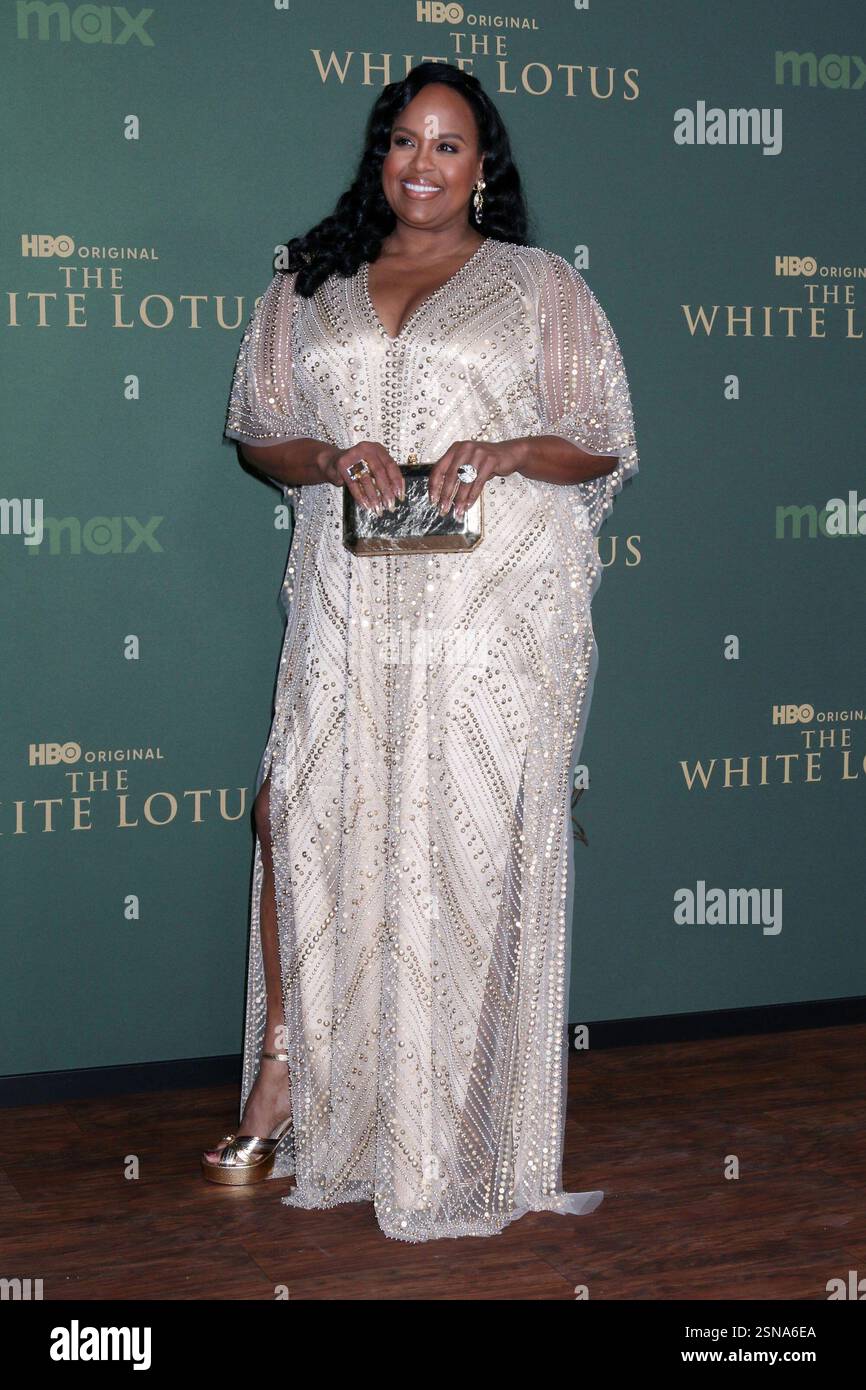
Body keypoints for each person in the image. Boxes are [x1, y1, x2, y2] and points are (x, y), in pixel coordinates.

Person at [203, 61, 638, 1244]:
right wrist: (334, 457)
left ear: (482, 165)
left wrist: (499, 450)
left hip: (483, 613)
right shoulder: (310, 283)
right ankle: (294, 1071)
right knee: (300, 804)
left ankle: (446, 1117)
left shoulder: (538, 287)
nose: (423, 165)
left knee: (458, 835)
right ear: (377, 154)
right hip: (347, 597)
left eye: (448, 146)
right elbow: (259, 433)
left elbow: (598, 441)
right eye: (404, 140)